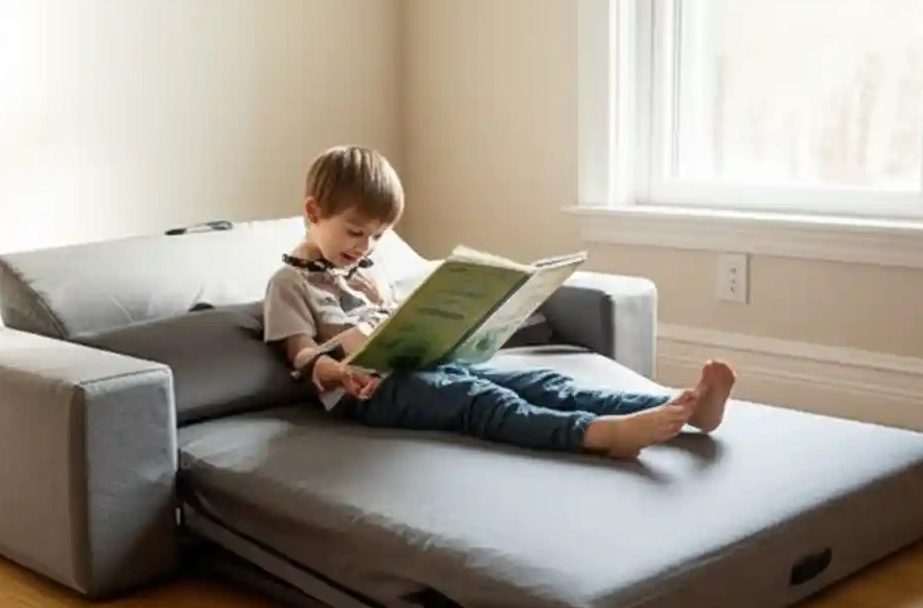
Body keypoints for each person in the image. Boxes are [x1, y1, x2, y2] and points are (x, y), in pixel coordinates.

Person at [263, 145, 736, 459]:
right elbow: (301, 356)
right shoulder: (289, 283)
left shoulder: (366, 270)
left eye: (378, 236)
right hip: (365, 394)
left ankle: (679, 406)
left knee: (543, 383)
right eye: (355, 232)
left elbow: (396, 326)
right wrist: (339, 371)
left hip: (419, 368)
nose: (365, 246)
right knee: (481, 401)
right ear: (313, 211)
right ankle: (602, 435)